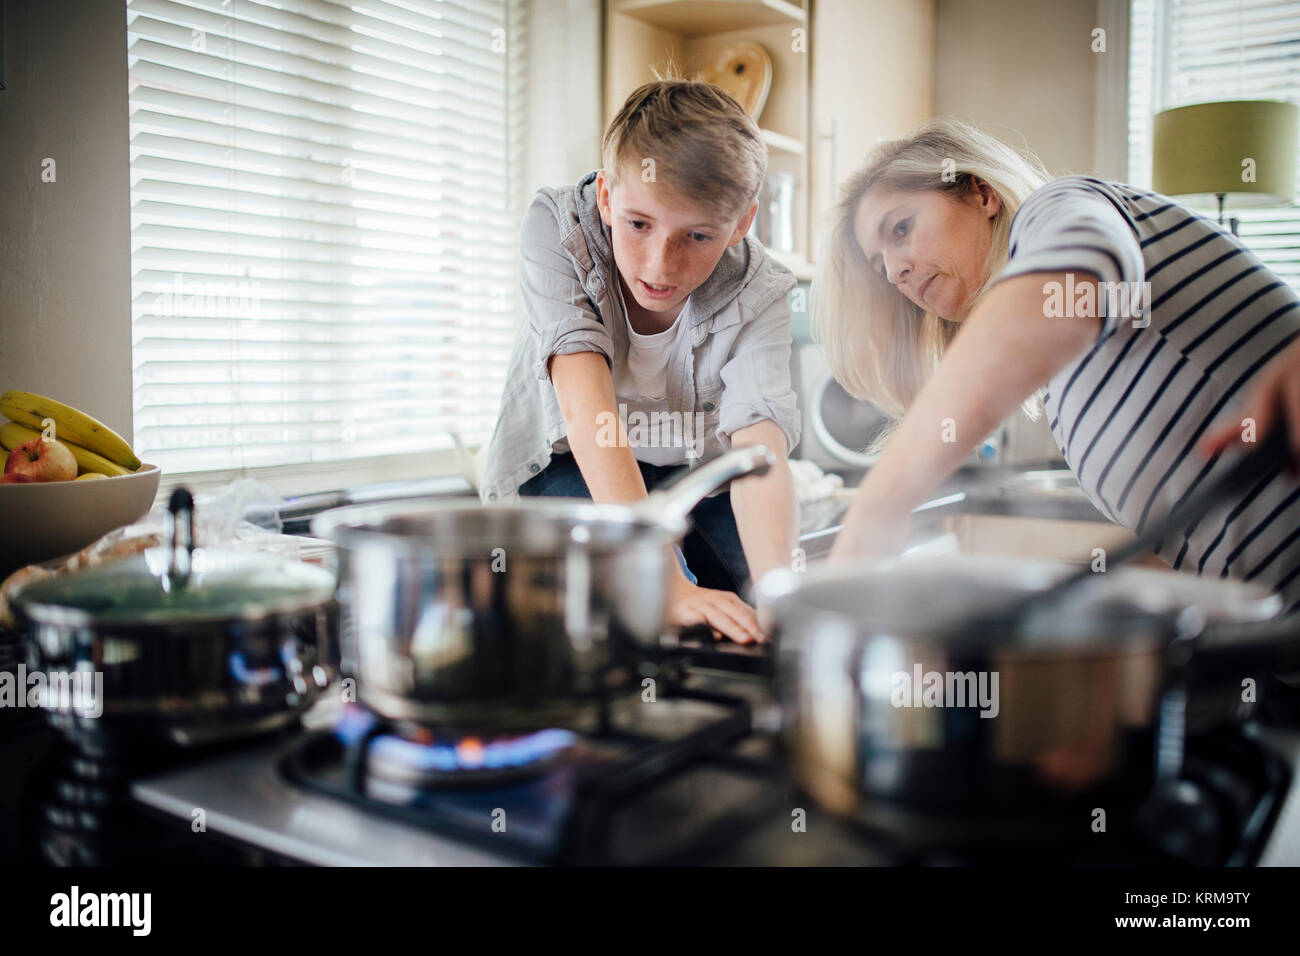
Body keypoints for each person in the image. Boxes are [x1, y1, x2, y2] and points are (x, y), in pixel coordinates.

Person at [817, 118, 1300, 613]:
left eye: (901, 229)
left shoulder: (1056, 206)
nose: (895, 269)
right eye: (881, 266)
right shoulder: (1064, 392)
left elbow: (1069, 287)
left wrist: (878, 506)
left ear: (982, 193)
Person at [479, 79, 801, 643]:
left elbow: (757, 449)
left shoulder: (762, 289)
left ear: (741, 224)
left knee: (754, 609)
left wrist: (780, 598)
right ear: (606, 196)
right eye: (638, 224)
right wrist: (664, 581)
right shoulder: (558, 231)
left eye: (698, 235)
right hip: (573, 462)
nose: (660, 264)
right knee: (626, 610)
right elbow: (588, 412)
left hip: (693, 473)